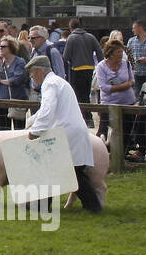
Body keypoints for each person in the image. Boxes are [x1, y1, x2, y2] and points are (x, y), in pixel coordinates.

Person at [26, 55, 102, 213]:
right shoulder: (57, 82)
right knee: (69, 172)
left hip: (67, 133)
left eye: (32, 73)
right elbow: (44, 111)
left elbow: (48, 109)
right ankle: (92, 206)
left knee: (62, 171)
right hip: (72, 131)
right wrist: (32, 121)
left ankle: (92, 205)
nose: (32, 77)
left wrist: (35, 131)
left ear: (39, 71)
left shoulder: (50, 84)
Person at [93, 40, 137, 145]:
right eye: (118, 52)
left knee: (126, 132)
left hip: (127, 102)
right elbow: (104, 87)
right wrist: (125, 86)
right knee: (104, 132)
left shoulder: (126, 64)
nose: (121, 54)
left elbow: (132, 81)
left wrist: (118, 86)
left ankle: (124, 155)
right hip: (109, 104)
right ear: (111, 53)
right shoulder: (101, 66)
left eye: (122, 52)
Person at [62, 18, 102, 125]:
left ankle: (84, 119)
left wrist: (71, 61)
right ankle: (88, 118)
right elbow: (99, 53)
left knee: (78, 96)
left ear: (71, 28)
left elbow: (65, 56)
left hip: (77, 69)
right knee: (86, 94)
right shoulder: (91, 37)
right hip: (89, 68)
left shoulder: (71, 38)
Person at [0, 37, 29, 131]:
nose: (0, 48)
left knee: (18, 130)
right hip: (2, 100)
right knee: (3, 130)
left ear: (11, 48)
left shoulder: (19, 62)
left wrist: (1, 81)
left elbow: (17, 80)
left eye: (3, 46)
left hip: (17, 100)